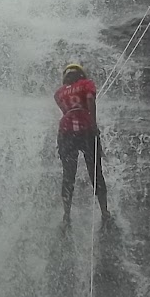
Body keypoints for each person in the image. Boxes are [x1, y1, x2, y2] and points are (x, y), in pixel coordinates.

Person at [54, 63, 106, 222]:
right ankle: (105, 213)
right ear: (81, 74)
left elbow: (65, 110)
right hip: (86, 130)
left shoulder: (59, 92)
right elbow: (89, 99)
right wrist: (93, 124)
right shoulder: (86, 84)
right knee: (95, 172)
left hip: (66, 132)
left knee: (68, 175)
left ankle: (66, 215)